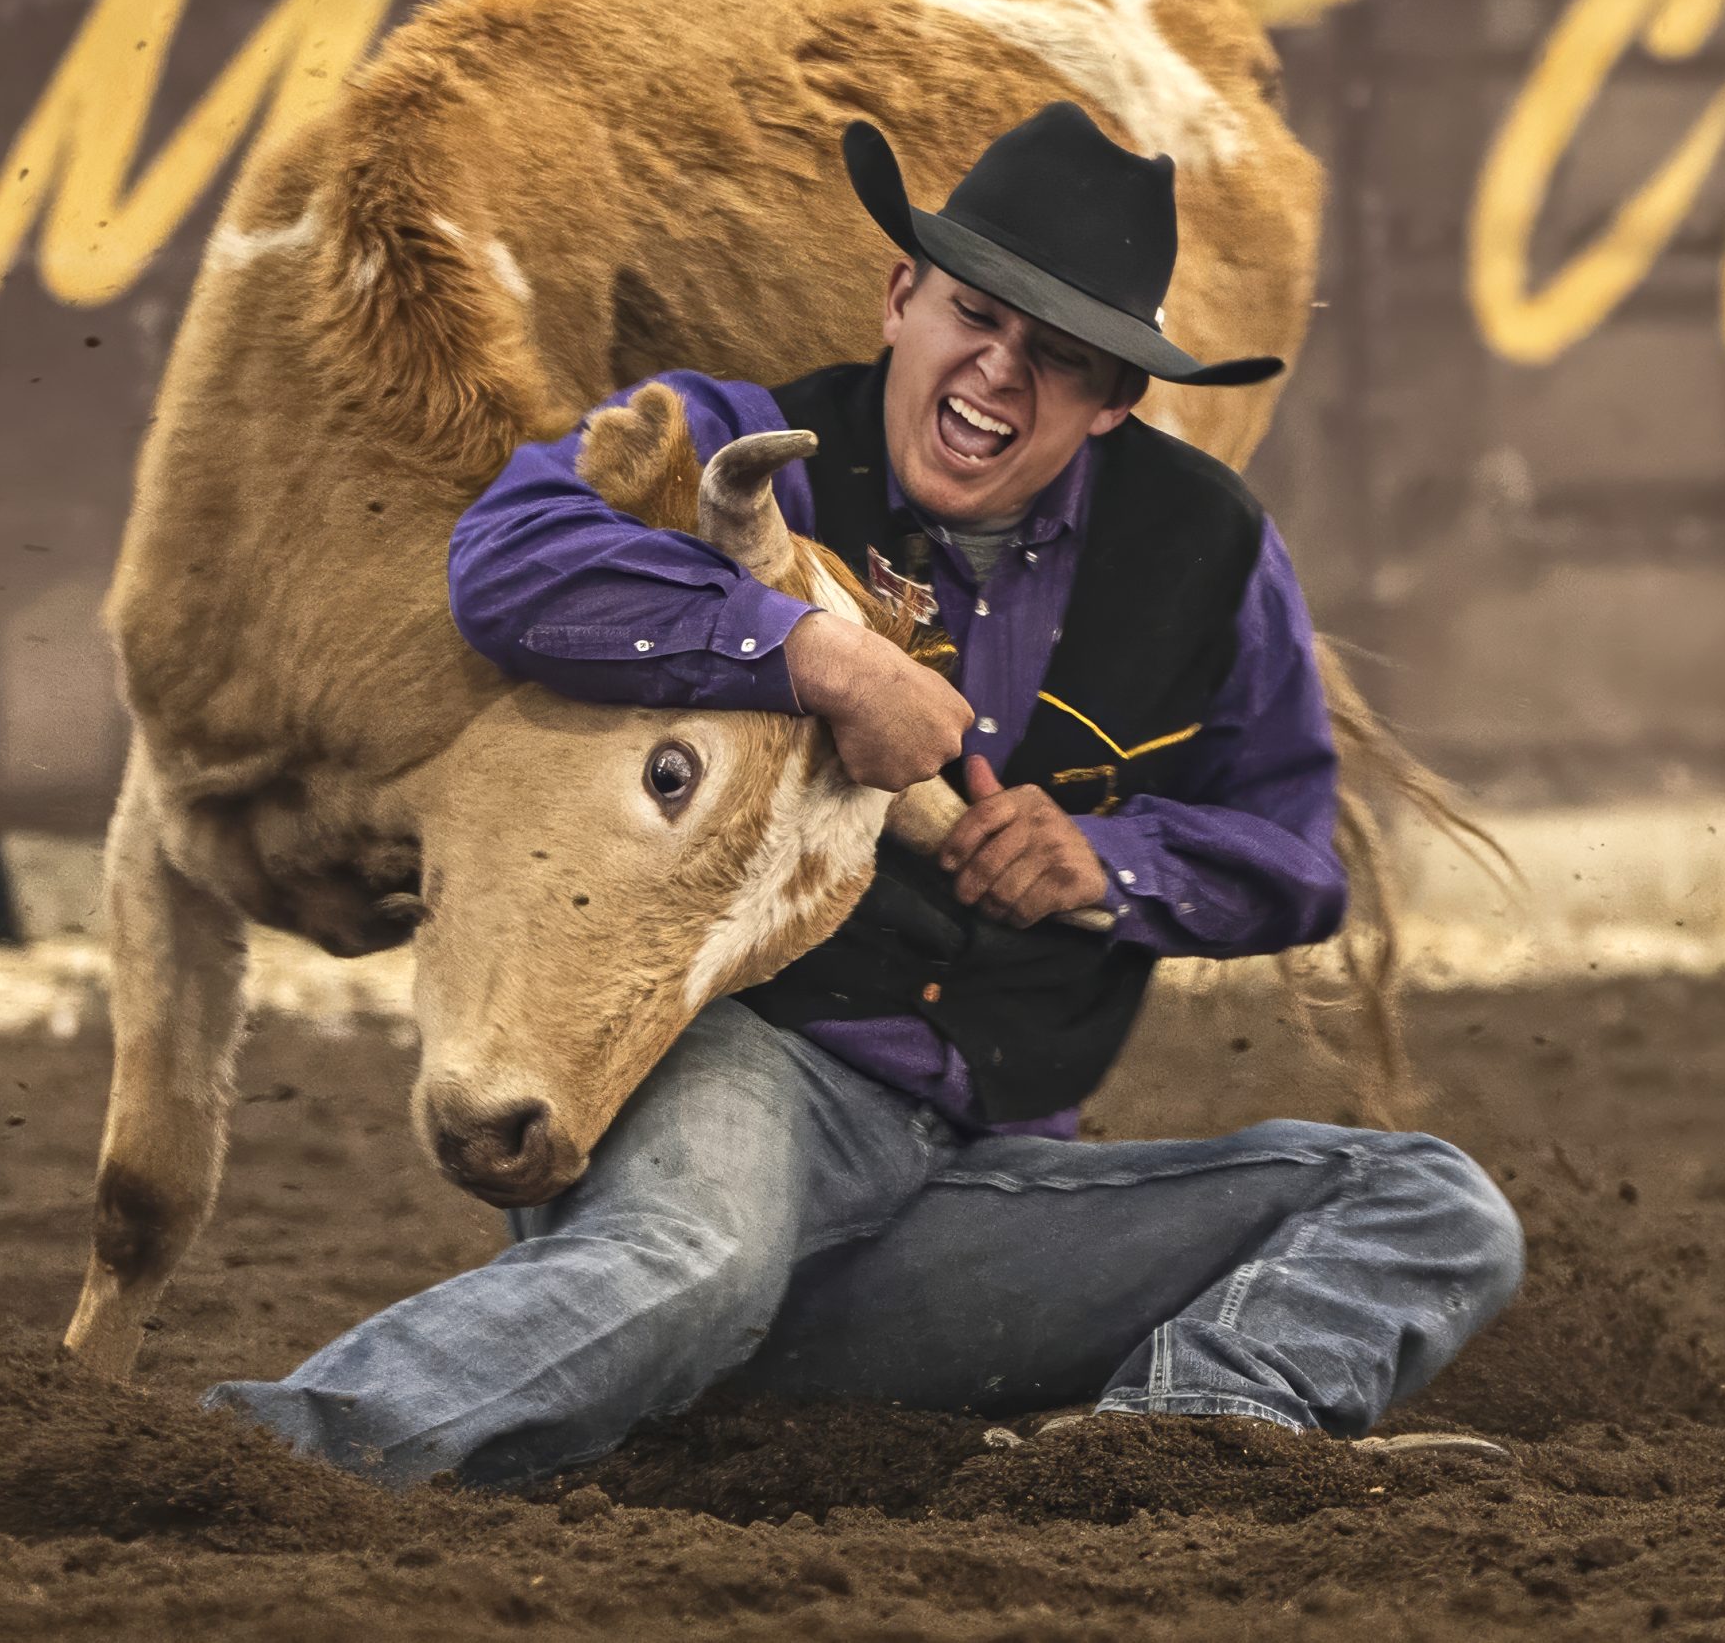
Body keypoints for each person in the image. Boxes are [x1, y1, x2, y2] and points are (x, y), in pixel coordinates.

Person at [209, 103, 1525, 1485]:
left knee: (1431, 1203)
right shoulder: (738, 430)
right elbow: (513, 559)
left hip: (974, 1185)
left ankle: (1162, 1453)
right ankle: (255, 1466)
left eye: (1059, 358)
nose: (998, 376)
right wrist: (812, 651)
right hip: (740, 1076)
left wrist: (1109, 862)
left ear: (1116, 399)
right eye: (977, 317)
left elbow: (1292, 856)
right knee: (692, 1257)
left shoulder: (1207, 544)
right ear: (902, 297)